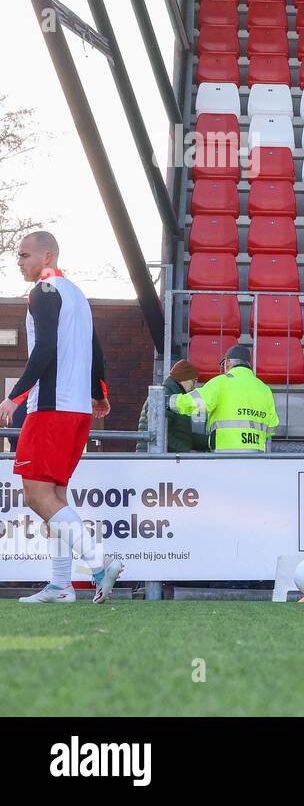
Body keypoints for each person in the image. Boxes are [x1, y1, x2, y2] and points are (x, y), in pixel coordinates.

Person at [0, 231, 123, 604]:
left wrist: (15, 395)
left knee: (37, 495)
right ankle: (61, 585)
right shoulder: (76, 294)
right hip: (76, 412)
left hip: (51, 409)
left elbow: (46, 347)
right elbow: (95, 348)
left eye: (24, 255)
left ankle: (100, 565)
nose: (19, 261)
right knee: (55, 497)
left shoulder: (44, 291)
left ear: (46, 256)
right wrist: (98, 393)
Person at [169, 344, 279, 452]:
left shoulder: (221, 382)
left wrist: (170, 401)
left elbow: (196, 402)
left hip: (226, 455)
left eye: (223, 364)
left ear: (228, 361)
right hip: (255, 455)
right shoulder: (265, 389)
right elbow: (272, 427)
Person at [136, 359, 200, 453]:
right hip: (155, 459)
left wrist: (208, 441)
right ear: (183, 377)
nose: (194, 386)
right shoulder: (167, 397)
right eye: (193, 381)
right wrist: (186, 451)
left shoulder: (170, 395)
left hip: (157, 457)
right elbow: (160, 435)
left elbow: (181, 434)